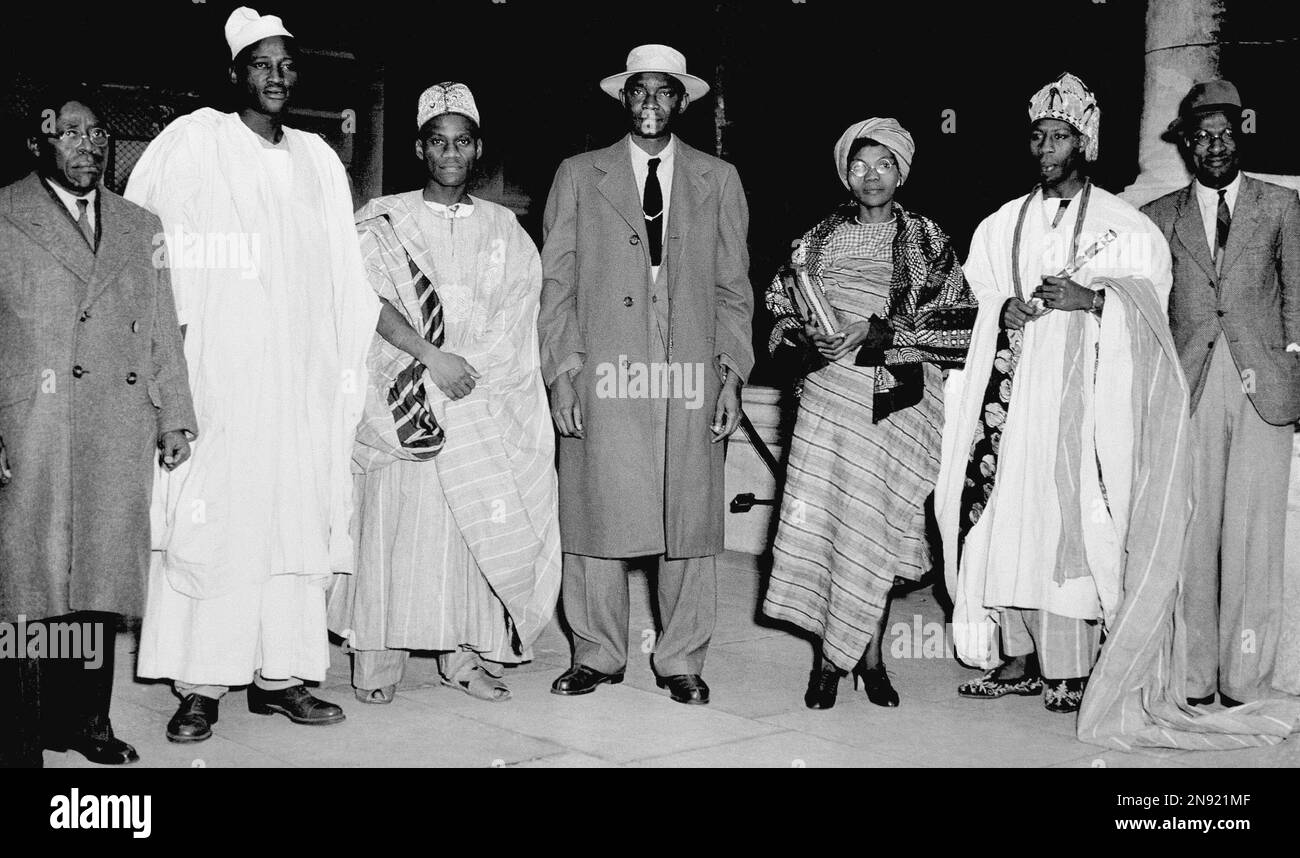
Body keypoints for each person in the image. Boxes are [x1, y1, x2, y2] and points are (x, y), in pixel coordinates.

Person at [124, 7, 379, 743]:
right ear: (234, 72)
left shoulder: (319, 159)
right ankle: (201, 684)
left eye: (287, 65)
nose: (276, 77)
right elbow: (147, 253)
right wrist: (162, 377)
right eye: (261, 64)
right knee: (218, 521)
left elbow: (344, 277)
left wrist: (340, 377)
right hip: (219, 378)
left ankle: (282, 677)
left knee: (293, 519)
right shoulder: (194, 142)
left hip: (299, 385)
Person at [935, 72, 1174, 714]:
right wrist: (1001, 311)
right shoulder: (999, 225)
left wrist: (1093, 300)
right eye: (1038, 137)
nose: (1045, 149)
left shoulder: (1127, 227)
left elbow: (1156, 316)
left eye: (1059, 136)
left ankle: (1068, 668)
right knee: (1002, 516)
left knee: (1068, 522)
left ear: (1085, 143)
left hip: (1083, 412)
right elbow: (969, 303)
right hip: (1009, 407)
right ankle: (1014, 656)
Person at [327, 83, 561, 704]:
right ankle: (378, 662)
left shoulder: (504, 228)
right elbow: (363, 299)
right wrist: (432, 361)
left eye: (462, 141)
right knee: (394, 528)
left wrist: (468, 374)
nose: (450, 152)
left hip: (478, 400)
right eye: (438, 141)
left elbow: (518, 315)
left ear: (476, 148)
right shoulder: (383, 219)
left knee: (468, 535)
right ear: (419, 148)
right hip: (403, 394)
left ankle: (464, 658)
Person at [538, 44, 754, 705]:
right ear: (623, 99)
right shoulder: (579, 174)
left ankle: (681, 658)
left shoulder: (717, 179)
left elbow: (733, 287)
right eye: (640, 92)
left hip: (687, 365)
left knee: (688, 517)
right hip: (606, 362)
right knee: (594, 508)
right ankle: (597, 654)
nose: (651, 104)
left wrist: (731, 373)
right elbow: (557, 283)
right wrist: (564, 372)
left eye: (664, 93)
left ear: (681, 102)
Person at [0, 91, 196, 766]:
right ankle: (20, 735)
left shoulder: (143, 226)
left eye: (98, 133)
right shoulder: (5, 213)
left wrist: (175, 414)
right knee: (28, 587)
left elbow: (166, 325)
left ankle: (84, 722)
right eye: (72, 133)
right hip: (34, 425)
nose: (89, 144)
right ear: (39, 143)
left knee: (97, 583)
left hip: (117, 425)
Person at [761, 119, 976, 710]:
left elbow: (959, 321)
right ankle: (832, 660)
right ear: (844, 173)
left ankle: (868, 660)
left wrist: (877, 329)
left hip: (894, 401)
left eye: (883, 164)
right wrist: (808, 336)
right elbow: (778, 311)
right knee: (831, 524)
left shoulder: (927, 238)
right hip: (828, 399)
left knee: (874, 527)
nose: (871, 175)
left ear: (901, 170)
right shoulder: (815, 241)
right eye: (859, 165)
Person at [1140, 81, 1300, 706]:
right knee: (1195, 531)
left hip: (1265, 386)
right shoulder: (1158, 217)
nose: (1214, 145)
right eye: (1201, 135)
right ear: (1185, 141)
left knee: (1255, 537)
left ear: (1243, 132)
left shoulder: (1282, 206)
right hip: (1191, 385)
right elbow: (1150, 309)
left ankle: (1245, 678)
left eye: (1225, 133)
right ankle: (1194, 676)